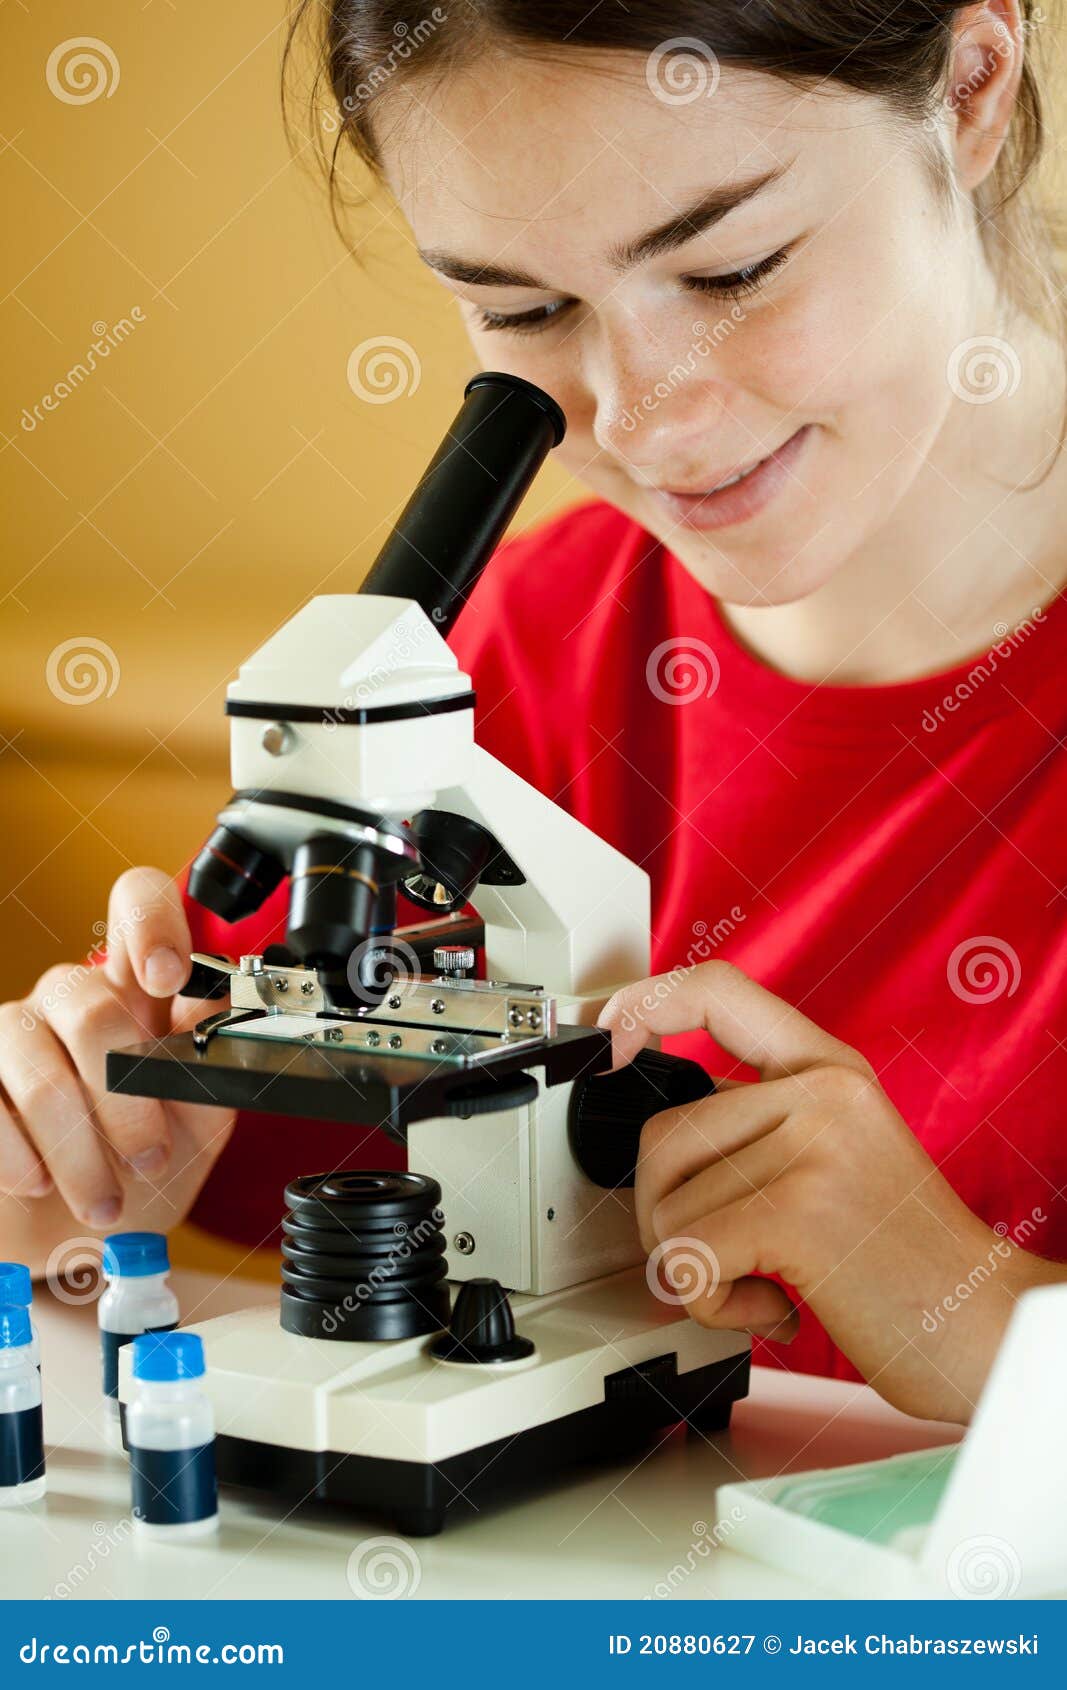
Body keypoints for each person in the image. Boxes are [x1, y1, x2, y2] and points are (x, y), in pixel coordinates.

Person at [2, 2, 1065, 1425]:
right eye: (524, 310)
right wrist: (81, 1185)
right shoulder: (526, 645)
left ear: (974, 84)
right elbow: (174, 1196)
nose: (644, 415)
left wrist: (981, 1316)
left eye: (731, 265)